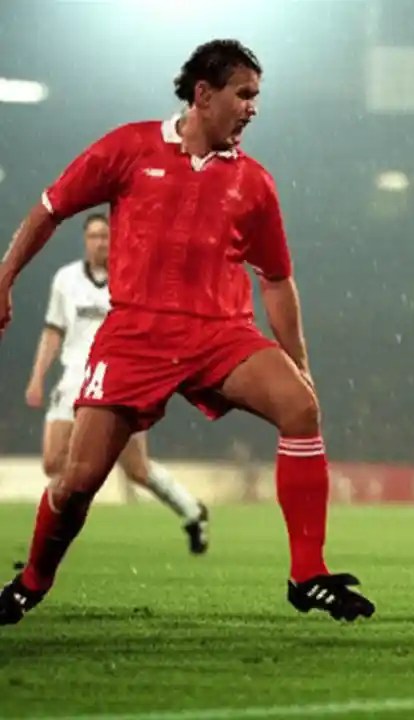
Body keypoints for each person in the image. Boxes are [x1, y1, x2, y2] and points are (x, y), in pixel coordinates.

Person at [0, 39, 374, 625]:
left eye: (257, 96)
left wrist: (299, 364)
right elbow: (51, 207)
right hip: (134, 337)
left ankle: (308, 573)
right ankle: (31, 580)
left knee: (301, 409)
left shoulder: (254, 184)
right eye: (243, 94)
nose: (253, 108)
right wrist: (4, 275)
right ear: (203, 94)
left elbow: (276, 280)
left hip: (220, 335)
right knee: (76, 484)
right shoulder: (130, 148)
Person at [26, 213, 209, 554]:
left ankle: (192, 511)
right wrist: (37, 376)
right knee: (54, 463)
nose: (100, 242)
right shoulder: (65, 280)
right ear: (85, 240)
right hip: (73, 381)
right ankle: (49, 545)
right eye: (94, 236)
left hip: (120, 382)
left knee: (137, 469)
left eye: (106, 236)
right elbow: (53, 330)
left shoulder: (134, 280)